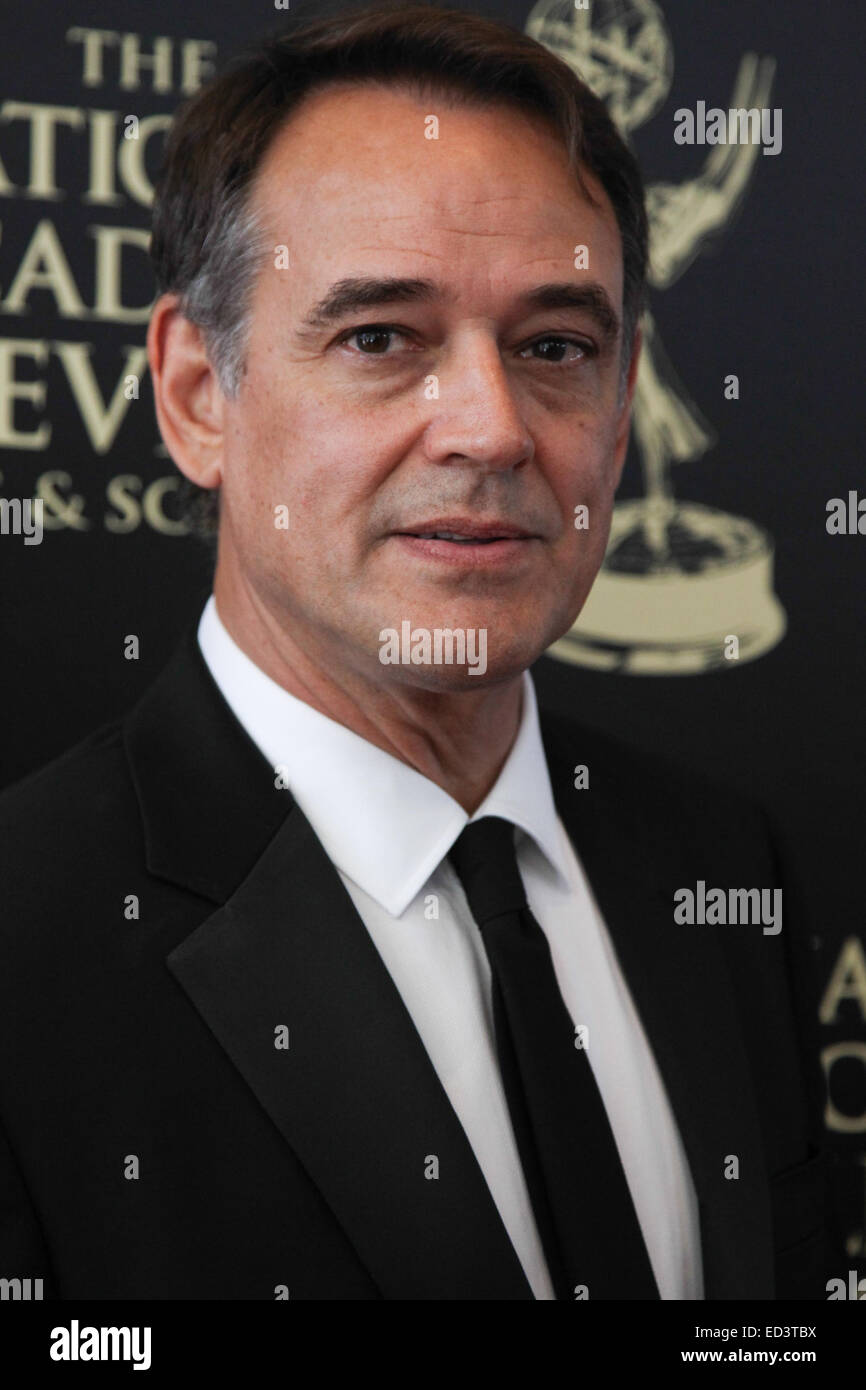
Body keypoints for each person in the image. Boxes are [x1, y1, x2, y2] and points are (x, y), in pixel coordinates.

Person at [0, 2, 826, 1300]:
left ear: (619, 415)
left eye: (555, 346)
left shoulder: (720, 866)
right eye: (380, 337)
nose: (492, 429)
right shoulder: (26, 936)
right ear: (196, 395)